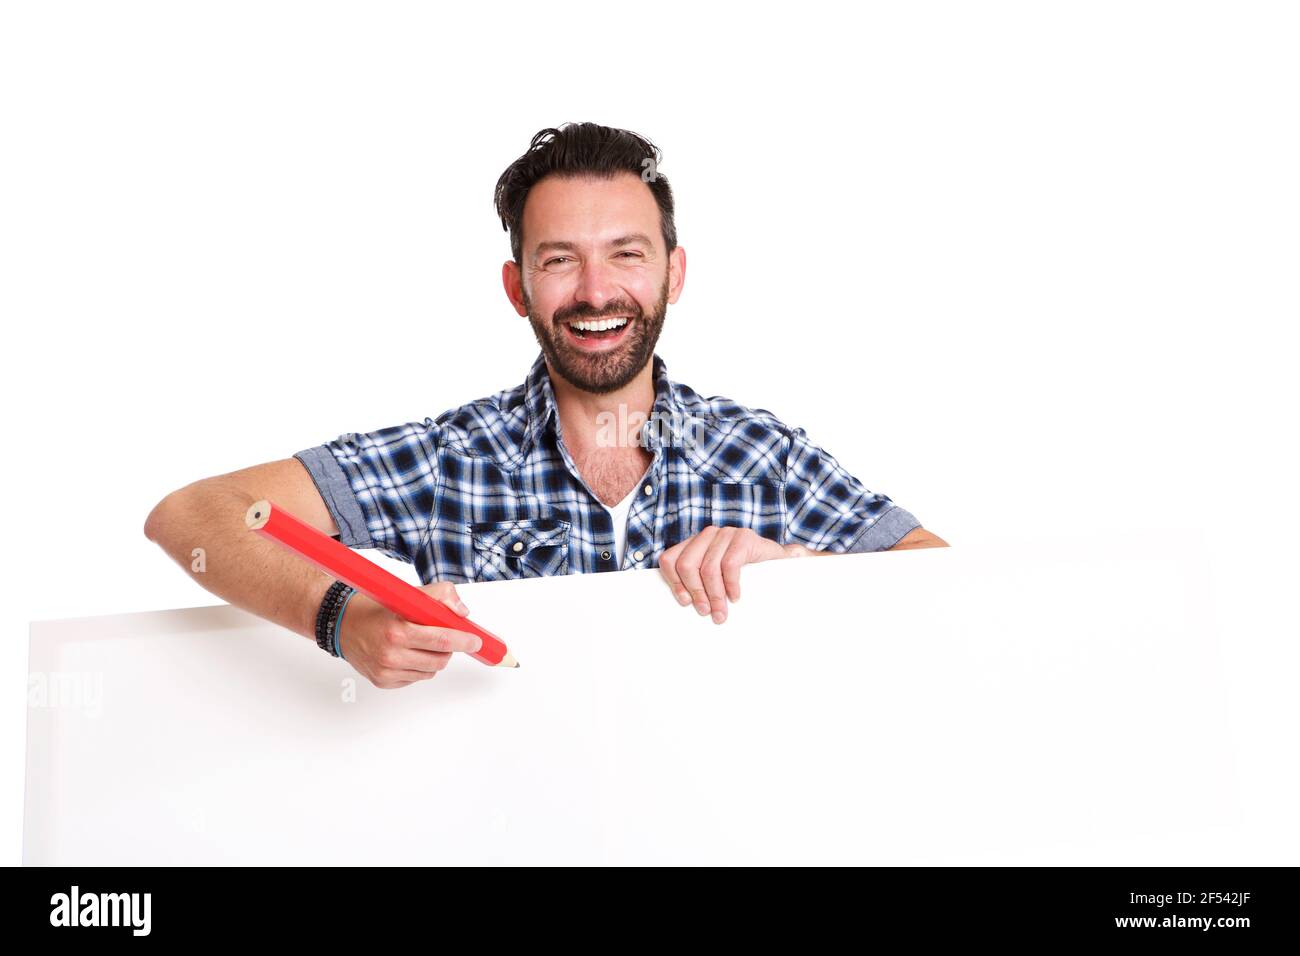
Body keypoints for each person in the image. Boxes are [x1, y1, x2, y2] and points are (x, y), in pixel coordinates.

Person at [145, 122, 947, 689]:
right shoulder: (444, 461)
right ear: (517, 288)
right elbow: (193, 515)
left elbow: (953, 585)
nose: (597, 293)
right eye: (559, 261)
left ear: (673, 274)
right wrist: (343, 619)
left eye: (626, 255)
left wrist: (796, 572)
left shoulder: (761, 455)